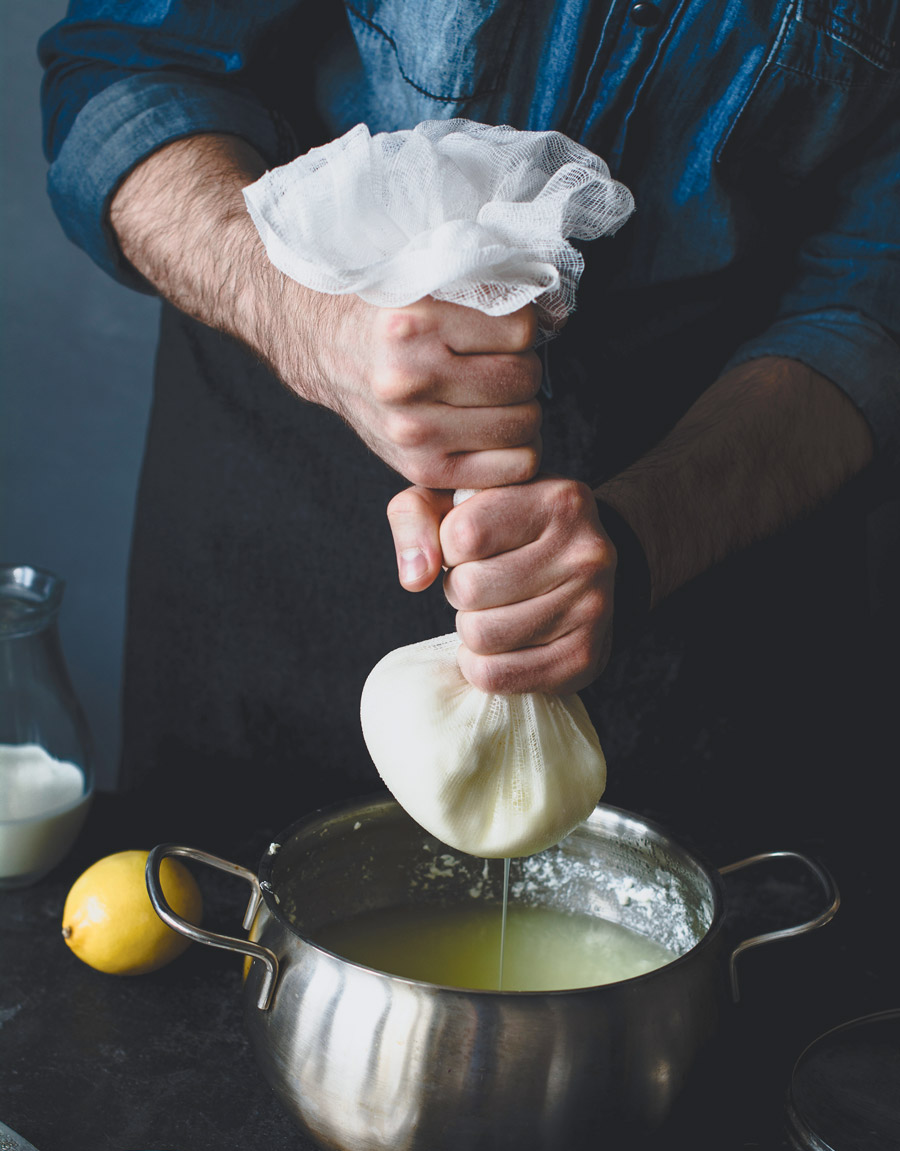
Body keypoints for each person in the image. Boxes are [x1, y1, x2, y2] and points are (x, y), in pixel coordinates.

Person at [38, 3, 898, 854]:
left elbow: (869, 295)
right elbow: (123, 68)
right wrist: (306, 322)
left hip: (717, 529)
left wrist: (649, 537)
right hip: (274, 505)